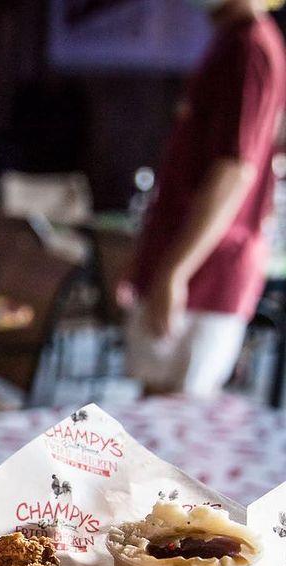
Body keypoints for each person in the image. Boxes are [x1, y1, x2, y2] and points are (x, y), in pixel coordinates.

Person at [125, 0, 286, 397]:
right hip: (185, 259)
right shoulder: (230, 41)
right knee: (155, 411)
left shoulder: (251, 46)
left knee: (174, 419)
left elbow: (235, 171)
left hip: (208, 268)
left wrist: (175, 272)